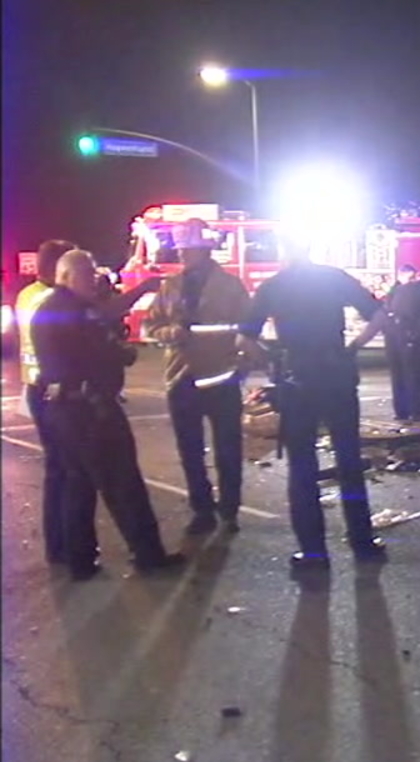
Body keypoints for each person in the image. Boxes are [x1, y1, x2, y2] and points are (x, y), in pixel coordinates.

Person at [28, 249, 185, 581]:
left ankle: (79, 562)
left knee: (78, 485)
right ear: (67, 276)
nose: (94, 280)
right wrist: (123, 352)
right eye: (87, 275)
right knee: (124, 483)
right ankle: (148, 554)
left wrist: (140, 290)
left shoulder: (48, 308)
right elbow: (105, 350)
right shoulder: (79, 311)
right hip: (92, 410)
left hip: (62, 409)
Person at [238, 236, 391, 573]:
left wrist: (272, 363)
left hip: (298, 382)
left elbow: (245, 339)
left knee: (302, 468)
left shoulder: (272, 286)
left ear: (283, 251)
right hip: (337, 376)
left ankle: (313, 552)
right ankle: (362, 542)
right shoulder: (334, 277)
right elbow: (380, 316)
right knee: (349, 461)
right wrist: (352, 348)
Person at [143, 218, 253, 535]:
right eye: (180, 250)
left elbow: (248, 329)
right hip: (182, 377)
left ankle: (230, 509)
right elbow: (150, 327)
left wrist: (242, 364)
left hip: (222, 378)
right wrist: (169, 332)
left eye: (186, 249)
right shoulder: (170, 286)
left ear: (204, 250)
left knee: (228, 449)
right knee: (190, 450)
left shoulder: (230, 286)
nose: (181, 255)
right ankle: (202, 509)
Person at [15, 240, 83, 565]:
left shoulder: (27, 295)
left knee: (56, 470)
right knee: (66, 471)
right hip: (51, 391)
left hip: (35, 386)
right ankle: (65, 547)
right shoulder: (49, 300)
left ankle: (57, 546)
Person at [383, 264, 420, 420]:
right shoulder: (418, 289)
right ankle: (415, 411)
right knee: (413, 373)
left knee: (398, 375)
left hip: (392, 336)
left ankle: (401, 411)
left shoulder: (394, 291)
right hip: (409, 336)